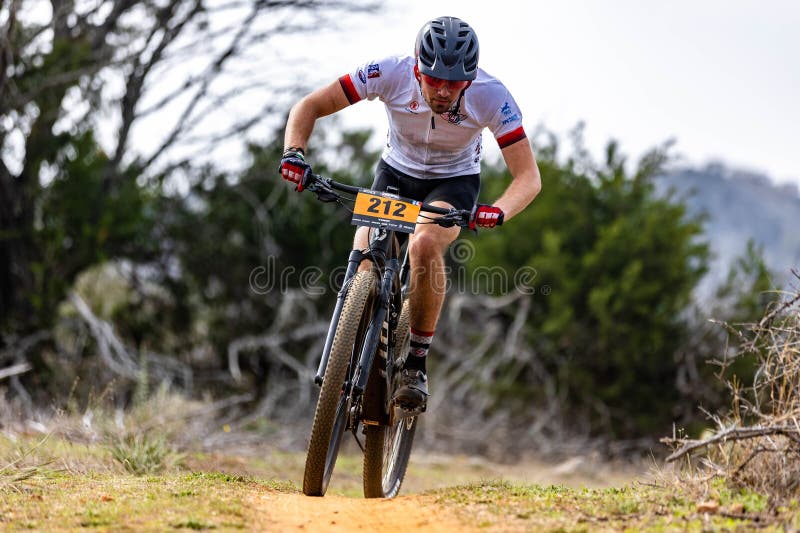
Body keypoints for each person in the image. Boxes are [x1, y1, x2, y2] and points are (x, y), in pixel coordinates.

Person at [280, 16, 542, 410]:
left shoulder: (492, 95)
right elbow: (311, 105)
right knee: (364, 257)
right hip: (395, 175)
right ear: (417, 68)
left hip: (453, 183)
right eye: (434, 79)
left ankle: (416, 363)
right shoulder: (389, 72)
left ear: (470, 79)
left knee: (423, 245)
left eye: (455, 83)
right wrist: (294, 153)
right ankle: (352, 349)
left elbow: (528, 177)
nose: (443, 90)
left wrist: (498, 211)